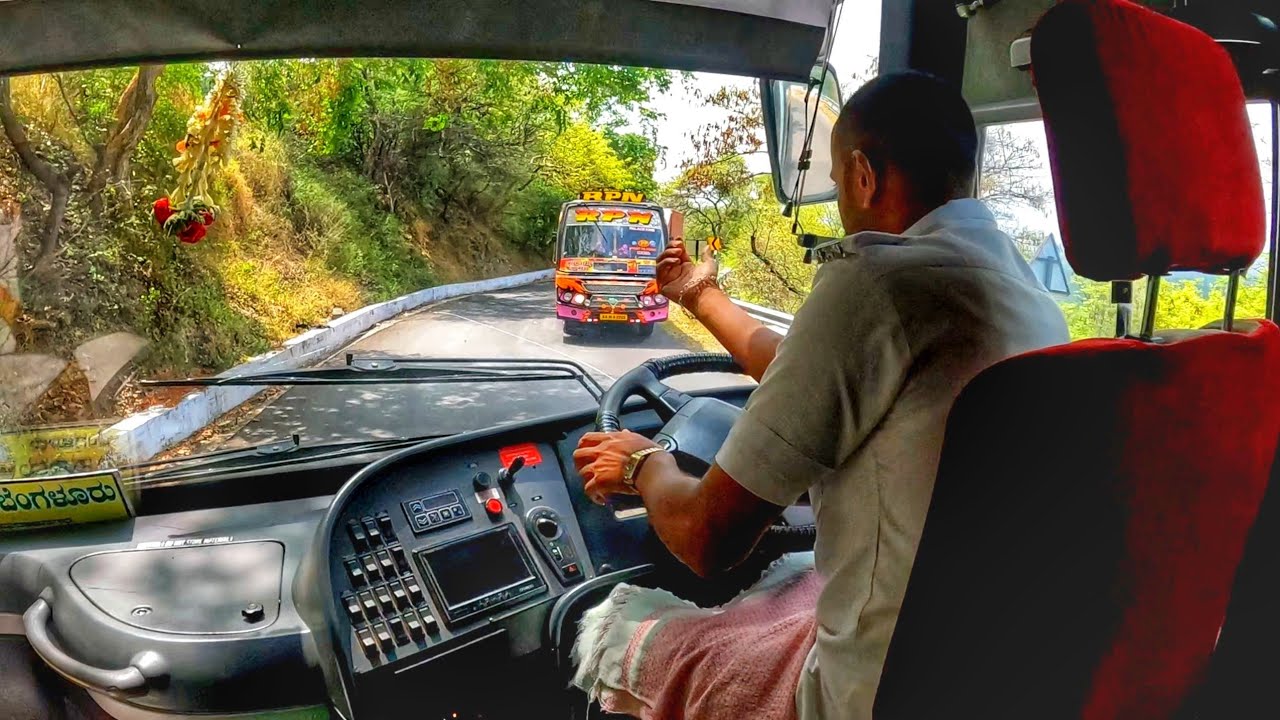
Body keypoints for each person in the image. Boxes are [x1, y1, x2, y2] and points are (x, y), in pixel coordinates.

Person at [571, 72, 1069, 719]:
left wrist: (645, 464)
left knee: (613, 628)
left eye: (836, 182)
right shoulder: (1020, 294)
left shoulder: (873, 283)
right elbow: (810, 372)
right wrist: (700, 296)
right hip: (984, 666)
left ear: (862, 174)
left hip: (872, 694)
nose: (841, 199)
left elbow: (703, 539)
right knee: (792, 583)